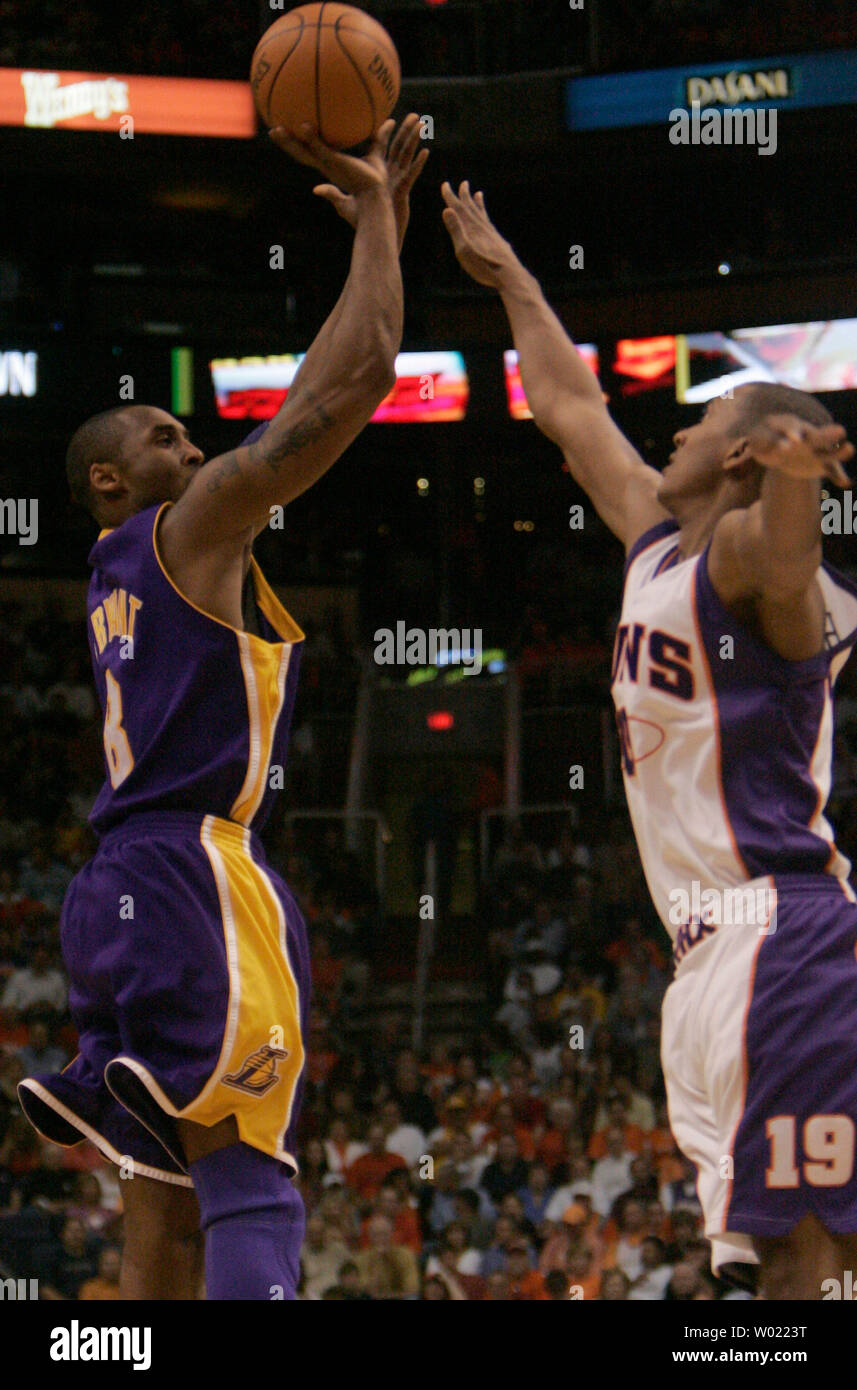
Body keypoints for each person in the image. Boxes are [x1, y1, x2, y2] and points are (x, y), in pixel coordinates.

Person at [16, 115, 427, 1301]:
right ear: (108, 478)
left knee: (162, 1198)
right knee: (252, 1177)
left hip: (112, 890)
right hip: (196, 864)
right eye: (166, 434)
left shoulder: (110, 576)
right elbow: (349, 386)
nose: (194, 449)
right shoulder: (184, 529)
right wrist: (381, 229)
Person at [441, 180, 857, 1299]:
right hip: (704, 959)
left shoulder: (746, 561)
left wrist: (792, 479)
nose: (668, 429)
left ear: (735, 457)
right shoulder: (651, 542)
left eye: (699, 420)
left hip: (785, 937)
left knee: (804, 1264)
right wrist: (513, 280)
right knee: (749, 1273)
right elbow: (569, 408)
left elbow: (782, 567)